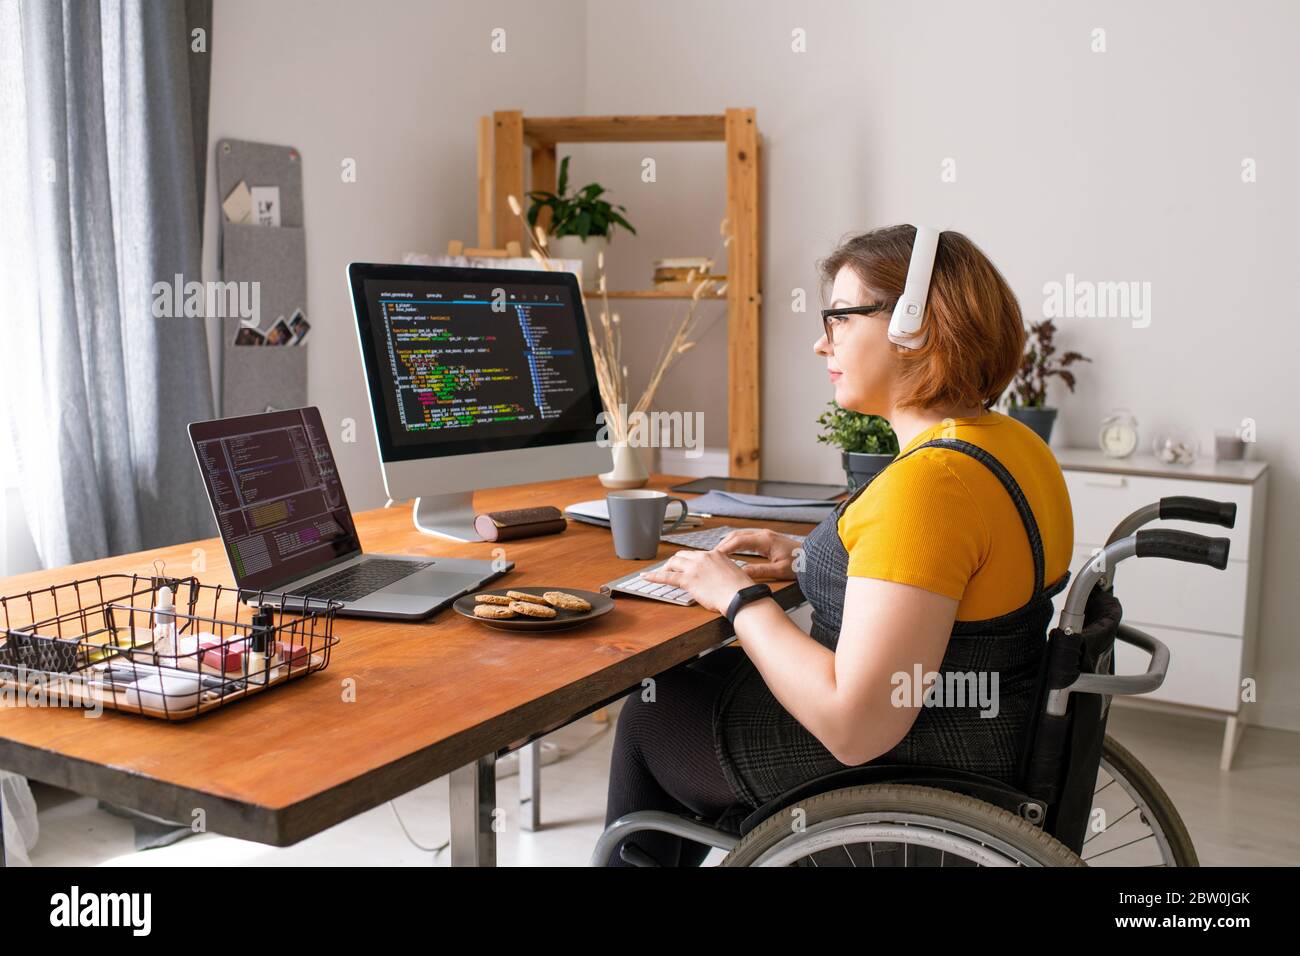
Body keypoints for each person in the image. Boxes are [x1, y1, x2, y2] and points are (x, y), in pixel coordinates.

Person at [601, 224, 1074, 866]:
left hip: (913, 757)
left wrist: (738, 597)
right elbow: (952, 585)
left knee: (653, 715)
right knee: (688, 682)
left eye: (840, 318)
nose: (819, 340)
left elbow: (857, 726)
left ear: (916, 325)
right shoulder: (1011, 445)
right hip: (985, 730)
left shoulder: (931, 484)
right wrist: (802, 558)